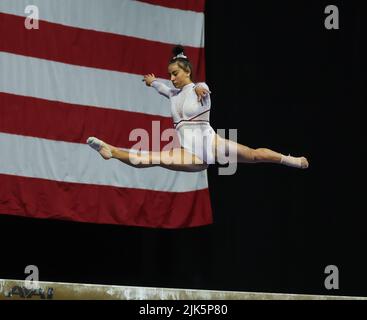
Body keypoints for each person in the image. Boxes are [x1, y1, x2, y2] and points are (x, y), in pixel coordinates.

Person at [87, 46, 309, 172]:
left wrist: (202, 89)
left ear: (187, 72)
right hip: (191, 154)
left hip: (213, 145)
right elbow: (161, 88)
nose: (172, 78)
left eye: (175, 73)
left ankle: (292, 160)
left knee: (255, 155)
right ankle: (112, 152)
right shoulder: (173, 94)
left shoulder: (199, 89)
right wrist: (152, 82)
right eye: (170, 74)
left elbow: (202, 87)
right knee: (154, 158)